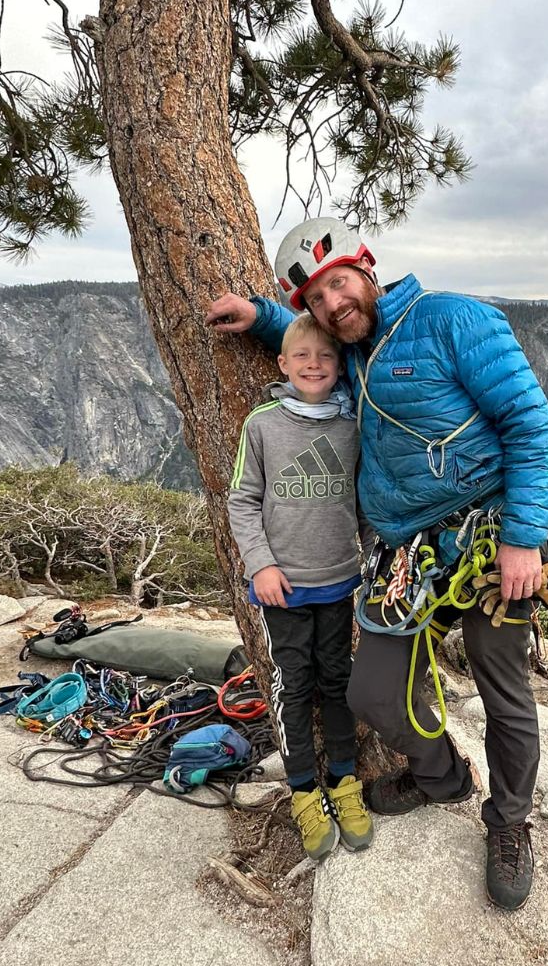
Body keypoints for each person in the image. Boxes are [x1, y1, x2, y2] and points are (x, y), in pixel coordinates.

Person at [207, 217, 548, 909]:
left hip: (491, 542)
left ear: (367, 267)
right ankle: (443, 777)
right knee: (371, 693)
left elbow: (532, 425)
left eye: (340, 282)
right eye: (315, 297)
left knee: (502, 689)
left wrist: (523, 539)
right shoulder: (353, 346)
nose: (332, 302)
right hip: (409, 556)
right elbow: (308, 344)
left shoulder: (454, 319)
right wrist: (259, 317)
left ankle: (510, 823)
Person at [226, 312, 372, 860]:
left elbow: (362, 503)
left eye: (326, 357)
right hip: (280, 587)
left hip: (338, 580)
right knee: (293, 684)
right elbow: (241, 500)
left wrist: (375, 556)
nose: (314, 365)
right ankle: (304, 790)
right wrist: (260, 564)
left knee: (338, 679)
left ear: (340, 367)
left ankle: (344, 779)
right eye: (302, 357)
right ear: (283, 364)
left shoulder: (352, 426)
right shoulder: (262, 424)